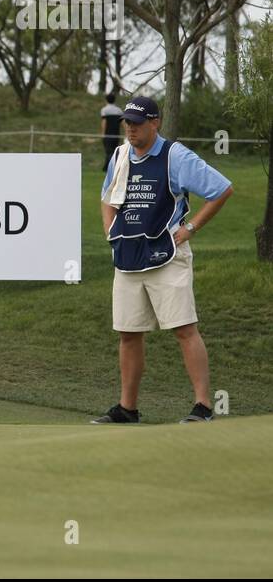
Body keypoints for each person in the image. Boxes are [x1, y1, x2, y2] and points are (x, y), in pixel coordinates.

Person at [93, 96, 233, 425]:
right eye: (128, 122)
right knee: (128, 332)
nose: (130, 128)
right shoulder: (120, 154)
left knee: (184, 328)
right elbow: (107, 197)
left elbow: (221, 189)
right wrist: (110, 230)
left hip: (167, 254)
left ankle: (202, 406)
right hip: (128, 254)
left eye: (137, 123)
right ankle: (127, 408)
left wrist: (190, 228)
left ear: (155, 123)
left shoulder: (176, 155)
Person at [99, 92, 123, 171]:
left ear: (106, 100)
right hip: (116, 134)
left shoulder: (104, 110)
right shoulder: (119, 110)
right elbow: (123, 122)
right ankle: (106, 167)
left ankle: (111, 167)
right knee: (114, 151)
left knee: (109, 151)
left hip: (108, 135)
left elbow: (104, 122)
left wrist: (102, 134)